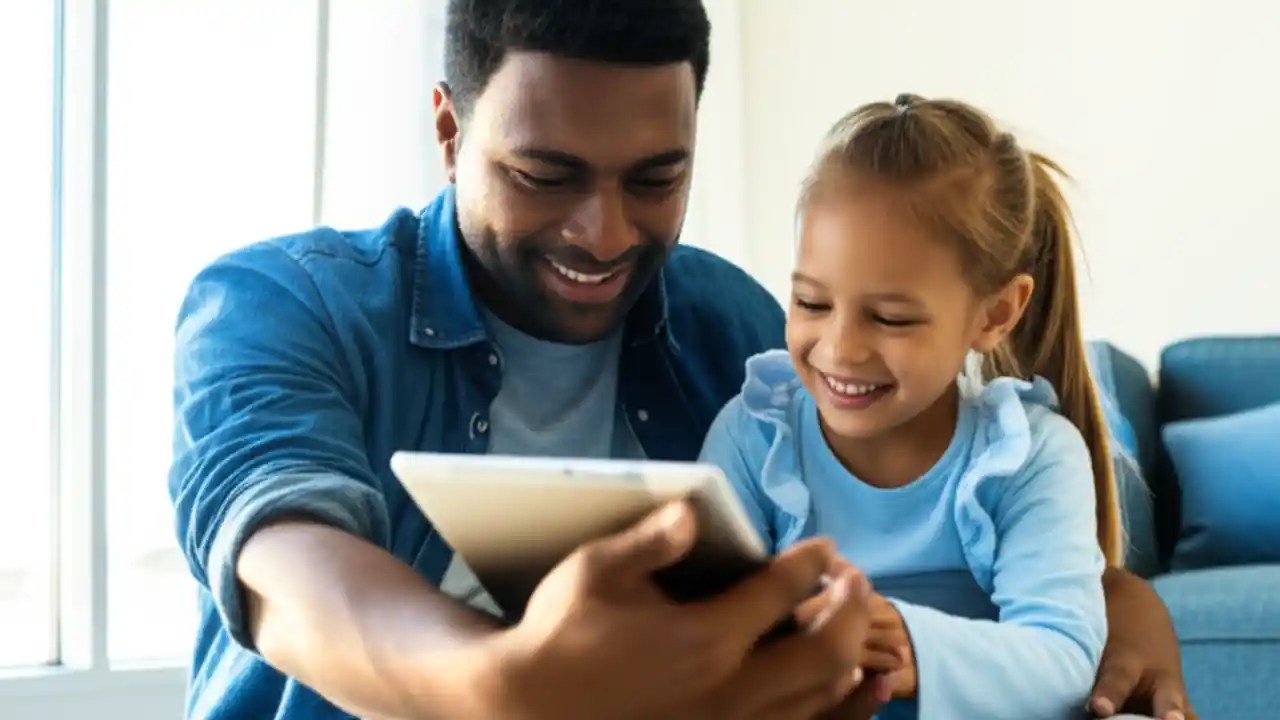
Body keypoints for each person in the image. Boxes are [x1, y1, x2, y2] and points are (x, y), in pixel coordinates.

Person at [167, 1, 1194, 718]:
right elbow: (289, 571)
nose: (604, 233)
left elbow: (910, 530)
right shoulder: (282, 305)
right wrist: (500, 688)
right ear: (448, 128)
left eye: (656, 178)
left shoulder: (723, 325)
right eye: (542, 173)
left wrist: (1119, 598)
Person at [700, 94, 1119, 719]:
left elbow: (1061, 659)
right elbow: (699, 629)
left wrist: (903, 643)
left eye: (890, 317)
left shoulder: (1027, 453)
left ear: (996, 313)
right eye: (812, 304)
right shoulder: (754, 434)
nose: (840, 349)